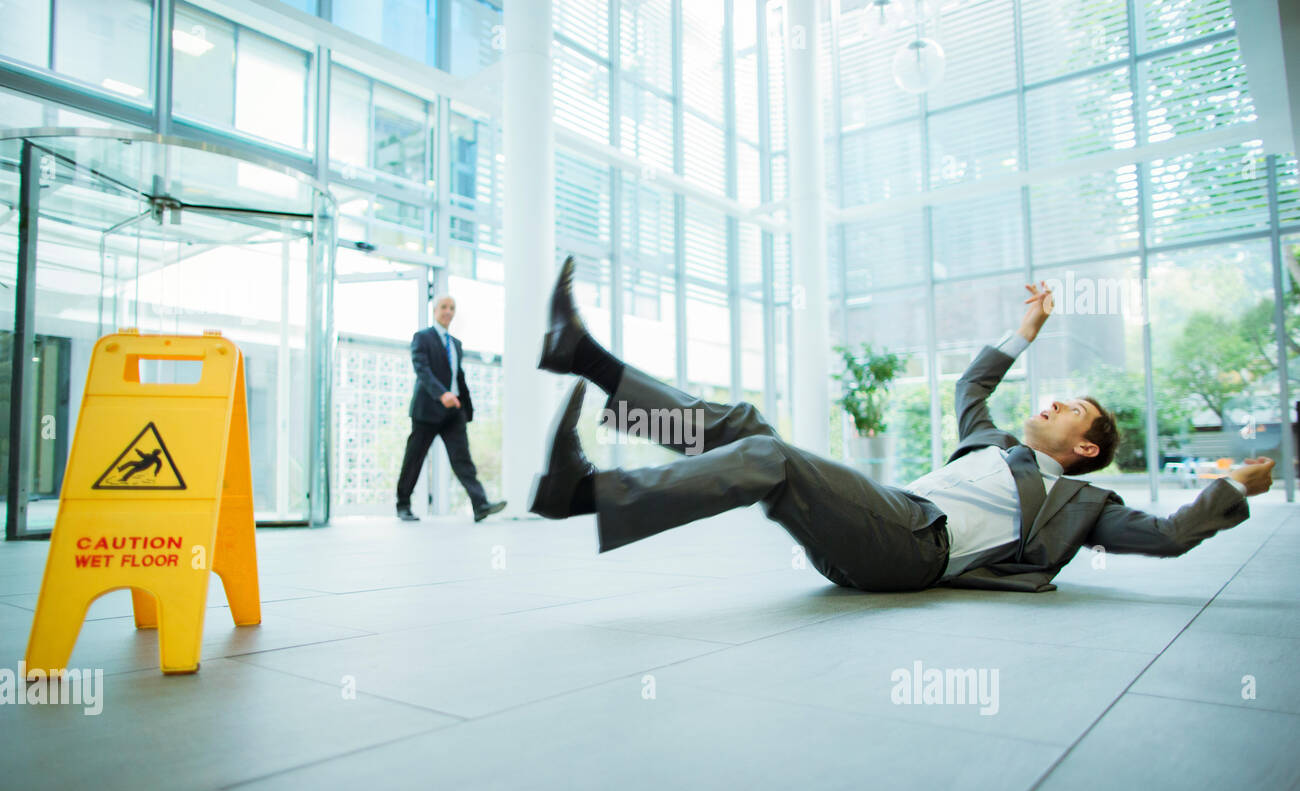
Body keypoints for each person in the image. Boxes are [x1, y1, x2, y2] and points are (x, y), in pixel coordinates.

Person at [528, 258, 1274, 593]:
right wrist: (1027, 332)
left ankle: (584, 493)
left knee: (768, 457)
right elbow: (973, 382)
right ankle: (585, 357)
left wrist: (1236, 484)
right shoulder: (990, 441)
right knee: (755, 428)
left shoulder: (1085, 509)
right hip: (884, 516)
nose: (1051, 401)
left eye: (1072, 408)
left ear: (1084, 448)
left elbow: (1172, 537)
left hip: (913, 551)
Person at [396, 295, 506, 523]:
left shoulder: (455, 344)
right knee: (414, 458)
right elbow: (422, 369)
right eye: (444, 307)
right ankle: (403, 505)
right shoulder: (422, 337)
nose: (448, 311)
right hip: (427, 410)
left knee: (462, 459)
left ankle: (480, 505)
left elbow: (458, 375)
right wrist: (441, 393)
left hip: (453, 411)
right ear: (435, 310)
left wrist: (466, 407)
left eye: (452, 308)